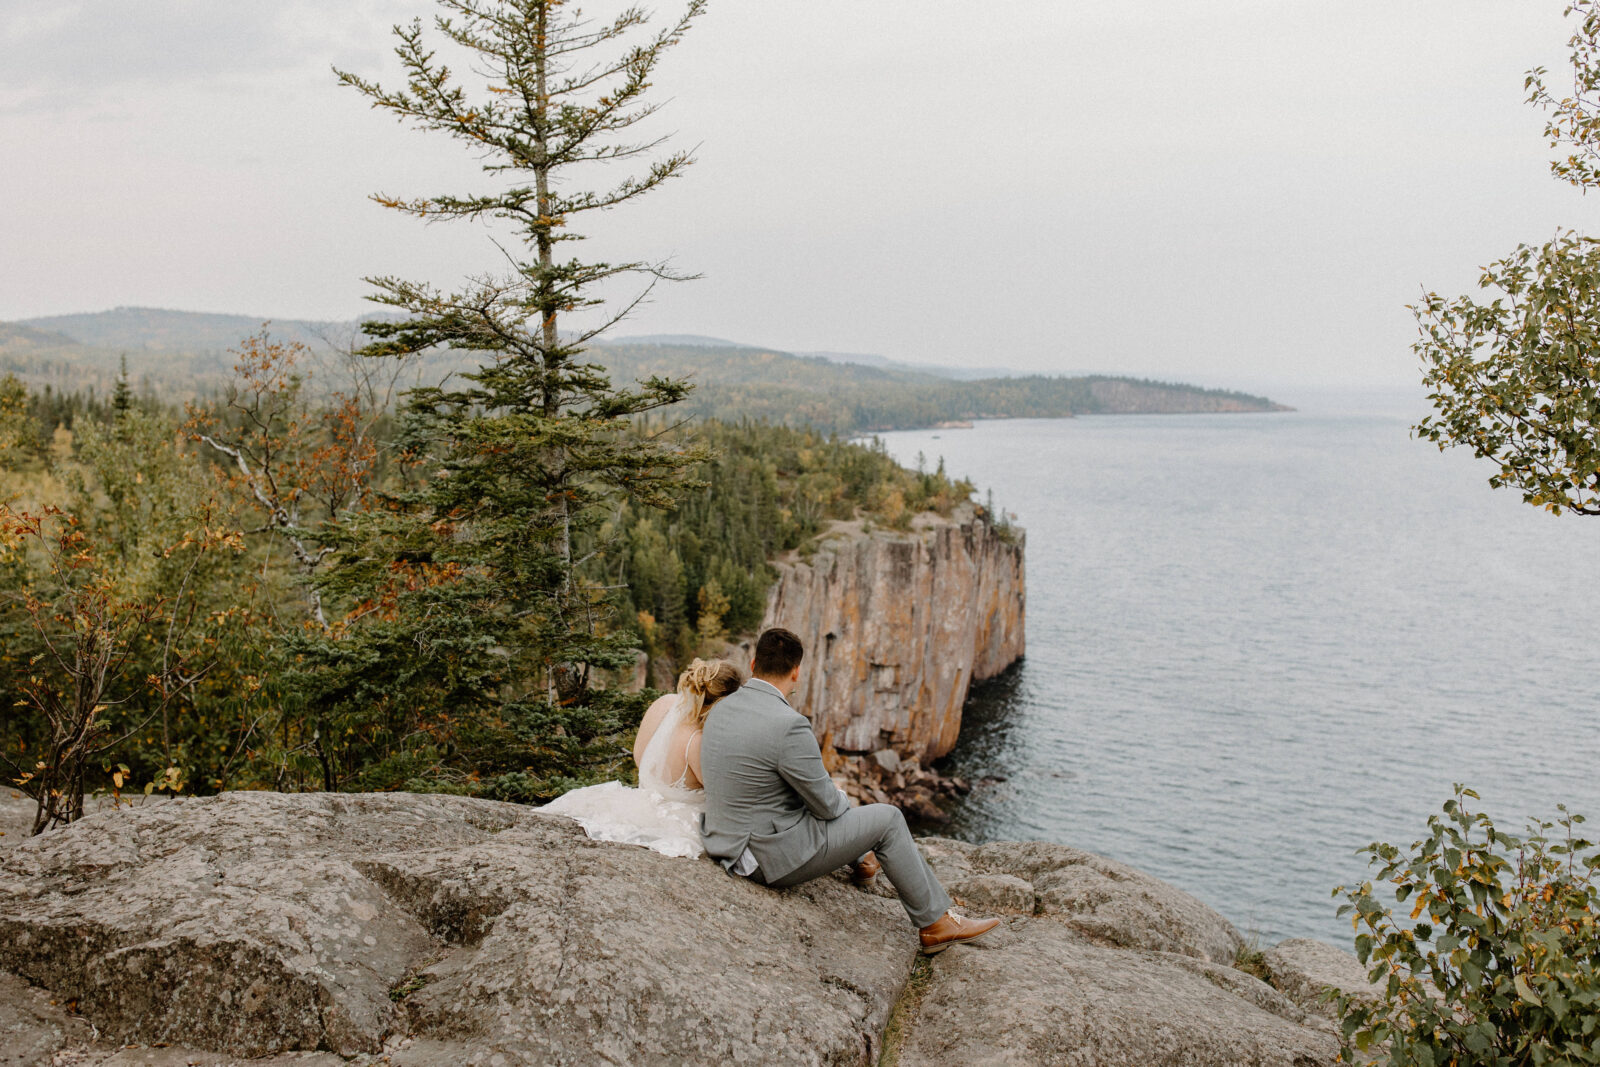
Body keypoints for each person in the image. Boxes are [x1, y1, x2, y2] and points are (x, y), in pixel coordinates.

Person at [698, 627, 1000, 954]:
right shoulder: (788, 724)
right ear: (796, 672)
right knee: (888, 818)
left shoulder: (722, 708)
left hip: (725, 840)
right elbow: (828, 808)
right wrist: (839, 794)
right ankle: (936, 923)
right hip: (765, 858)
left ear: (754, 663)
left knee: (827, 809)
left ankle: (863, 860)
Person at [542, 658, 742, 857]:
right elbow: (720, 795)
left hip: (641, 802)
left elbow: (640, 757)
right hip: (680, 821)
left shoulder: (663, 704)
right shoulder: (697, 741)